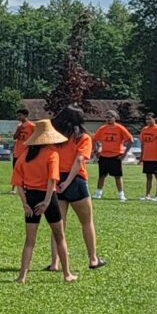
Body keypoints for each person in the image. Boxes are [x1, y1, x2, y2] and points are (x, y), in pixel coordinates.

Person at [11, 118, 75, 284]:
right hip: (48, 198)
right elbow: (52, 180)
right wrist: (47, 201)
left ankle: (22, 276)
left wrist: (25, 203)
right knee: (59, 236)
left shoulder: (24, 156)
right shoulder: (52, 154)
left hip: (30, 197)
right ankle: (67, 273)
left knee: (29, 241)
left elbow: (18, 183)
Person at [54, 106, 105, 270]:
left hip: (56, 180)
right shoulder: (83, 137)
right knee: (87, 222)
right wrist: (68, 182)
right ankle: (93, 259)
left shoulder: (56, 137)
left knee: (58, 224)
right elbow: (78, 161)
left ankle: (55, 263)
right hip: (75, 181)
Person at [93, 114, 133, 203]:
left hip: (116, 156)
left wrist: (124, 154)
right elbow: (94, 139)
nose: (108, 119)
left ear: (115, 118)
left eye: (110, 117)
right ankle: (98, 193)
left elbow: (130, 140)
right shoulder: (102, 128)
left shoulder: (120, 128)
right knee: (101, 176)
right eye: (107, 117)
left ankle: (121, 194)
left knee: (118, 176)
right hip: (104, 155)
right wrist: (96, 151)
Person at [138, 113, 157, 202]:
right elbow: (142, 144)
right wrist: (141, 156)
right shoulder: (144, 130)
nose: (148, 121)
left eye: (150, 119)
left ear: (154, 119)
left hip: (156, 157)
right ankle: (147, 195)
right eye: (146, 119)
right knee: (148, 176)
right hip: (147, 157)